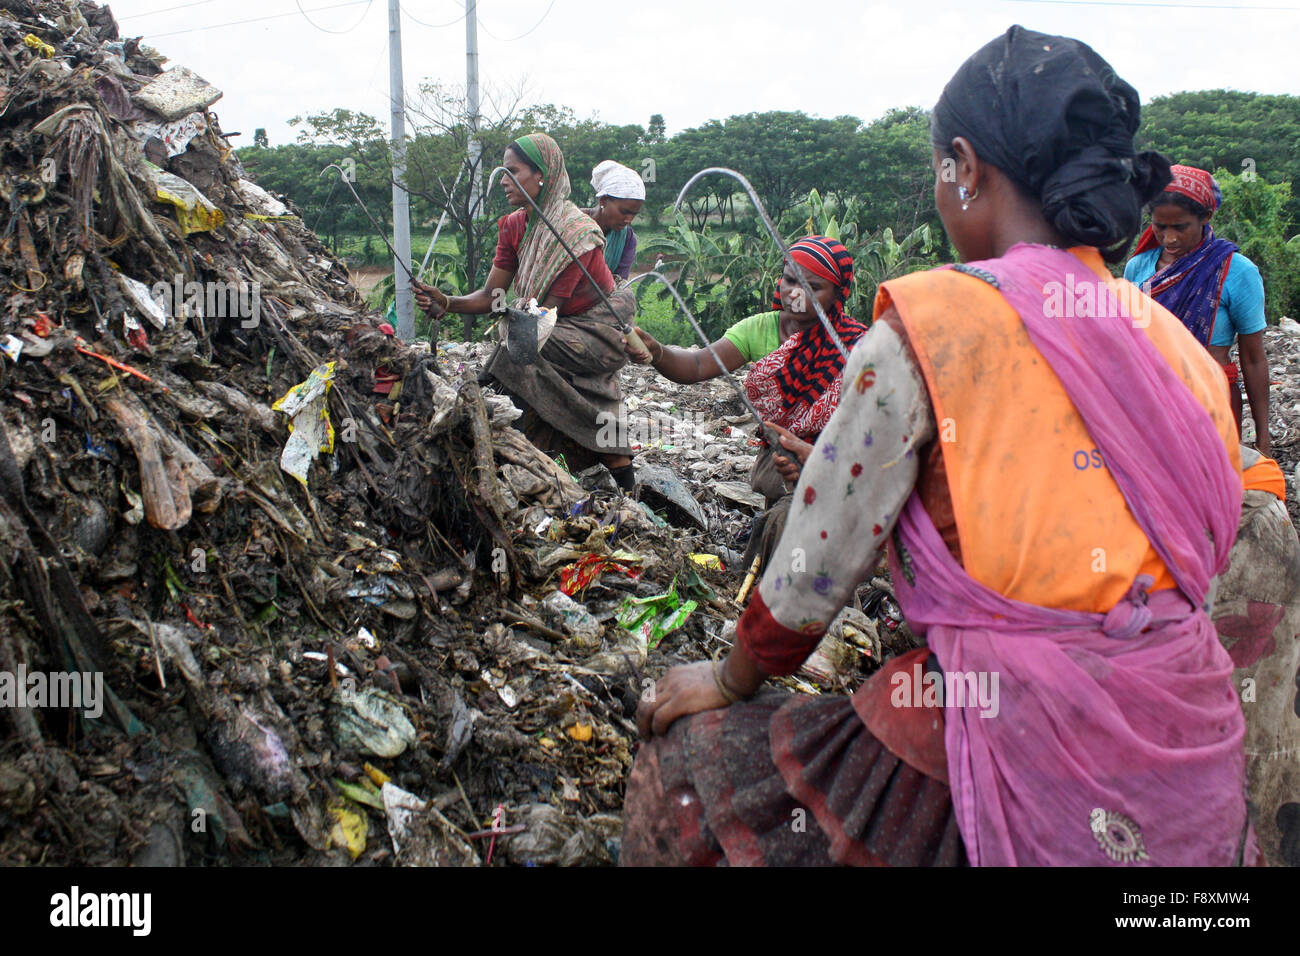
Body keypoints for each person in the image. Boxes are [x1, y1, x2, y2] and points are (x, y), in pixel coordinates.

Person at [622, 26, 1257, 867]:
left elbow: (820, 555)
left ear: (966, 166)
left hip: (1003, 718)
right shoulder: (1176, 348)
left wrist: (731, 679)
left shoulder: (934, 324)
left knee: (681, 784)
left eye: (935, 169)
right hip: (1191, 745)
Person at [626, 236, 868, 571]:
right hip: (780, 458)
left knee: (798, 531)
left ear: (838, 294)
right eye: (790, 280)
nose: (796, 293)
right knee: (777, 525)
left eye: (813, 287)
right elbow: (698, 365)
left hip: (836, 461)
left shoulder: (856, 345)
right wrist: (658, 353)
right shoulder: (761, 328)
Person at [412, 133, 639, 490]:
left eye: (513, 171)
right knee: (521, 349)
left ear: (542, 175)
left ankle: (629, 497)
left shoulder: (575, 234)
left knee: (518, 348)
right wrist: (449, 303)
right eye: (502, 171)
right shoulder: (515, 226)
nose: (503, 179)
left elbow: (545, 314)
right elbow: (494, 294)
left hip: (597, 333)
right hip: (552, 326)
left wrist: (508, 331)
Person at [1124, 166, 1270, 454]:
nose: (1169, 238)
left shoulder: (1236, 272)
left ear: (1206, 217)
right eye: (1160, 226)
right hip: (1149, 400)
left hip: (1212, 401)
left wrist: (1263, 438)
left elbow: (1253, 359)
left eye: (1180, 227)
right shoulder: (1137, 268)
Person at [585, 160, 644, 280]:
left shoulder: (627, 239)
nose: (629, 220)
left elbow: (619, 281)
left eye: (634, 214)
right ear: (604, 201)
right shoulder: (573, 224)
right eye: (624, 212)